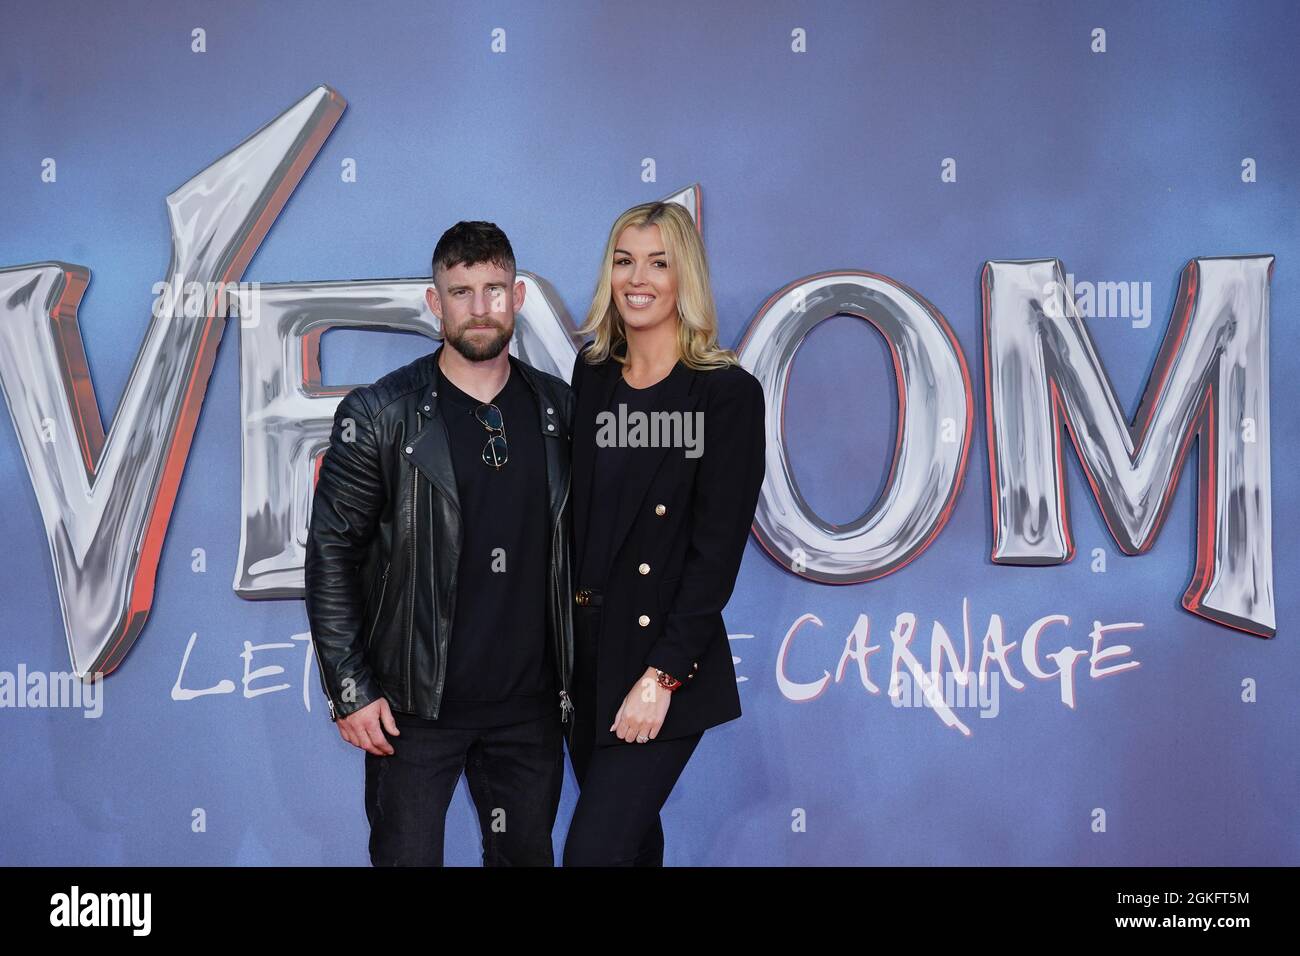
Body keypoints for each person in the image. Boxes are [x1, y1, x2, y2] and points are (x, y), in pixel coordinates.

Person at [303, 221, 576, 866]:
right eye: (461, 292)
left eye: (494, 289)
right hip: (413, 710)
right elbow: (331, 556)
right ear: (436, 302)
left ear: (518, 296)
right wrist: (349, 686)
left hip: (529, 715)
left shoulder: (560, 412)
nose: (480, 309)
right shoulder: (380, 413)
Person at [562, 201, 766, 866]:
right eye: (624, 261)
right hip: (585, 657)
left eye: (658, 262)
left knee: (593, 854)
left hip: (662, 662)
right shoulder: (591, 376)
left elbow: (715, 552)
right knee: (630, 851)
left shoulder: (725, 395)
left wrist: (663, 676)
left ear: (686, 280)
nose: (637, 277)